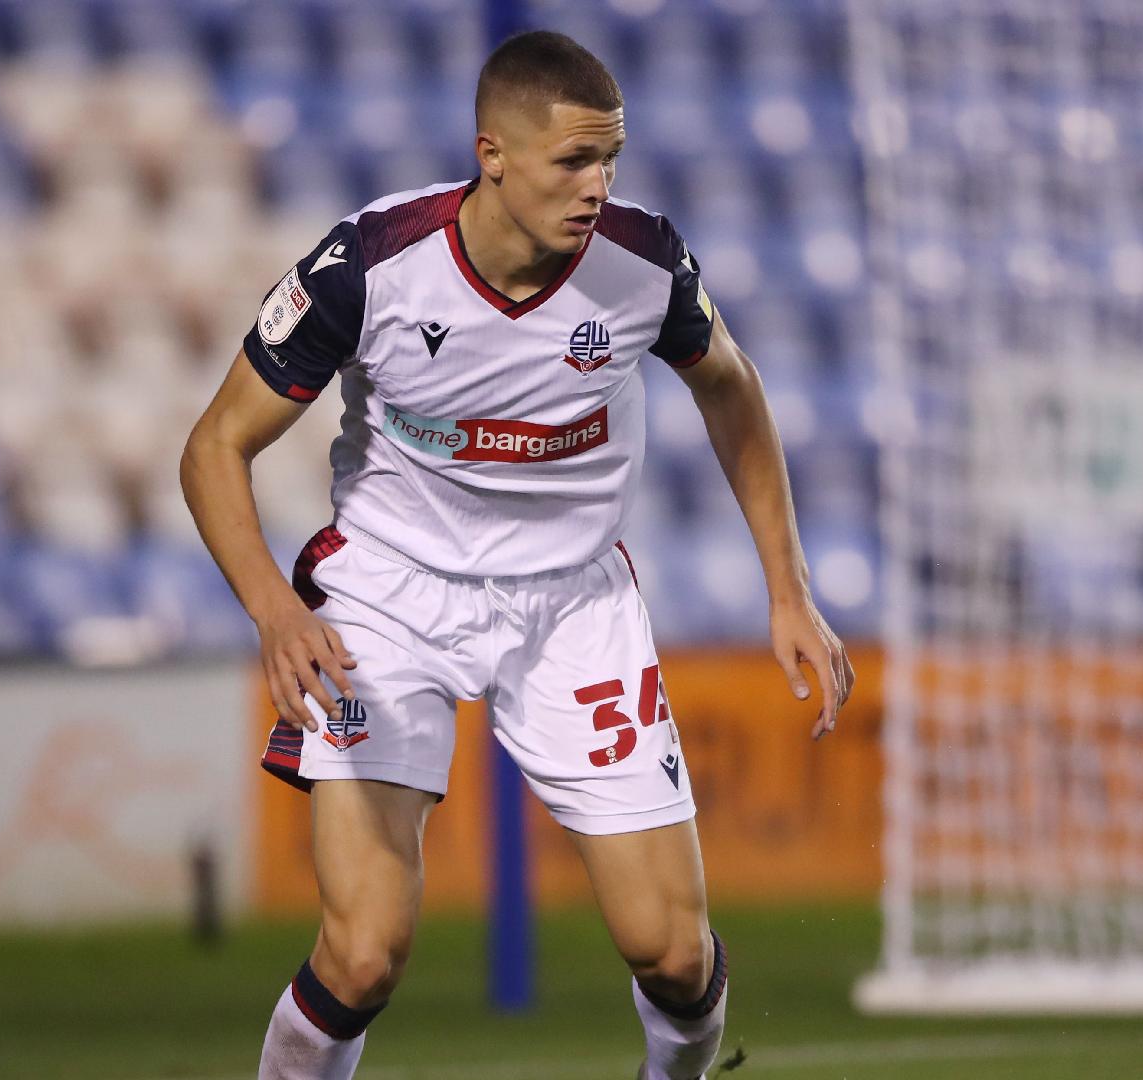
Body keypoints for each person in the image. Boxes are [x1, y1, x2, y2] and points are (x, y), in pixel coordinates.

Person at [180, 29, 853, 1080]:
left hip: (573, 603)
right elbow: (216, 446)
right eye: (574, 161)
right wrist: (275, 609)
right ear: (491, 154)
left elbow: (732, 385)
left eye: (610, 160)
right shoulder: (370, 267)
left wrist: (789, 590)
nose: (598, 187)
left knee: (674, 954)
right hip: (390, 597)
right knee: (363, 954)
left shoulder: (643, 264)